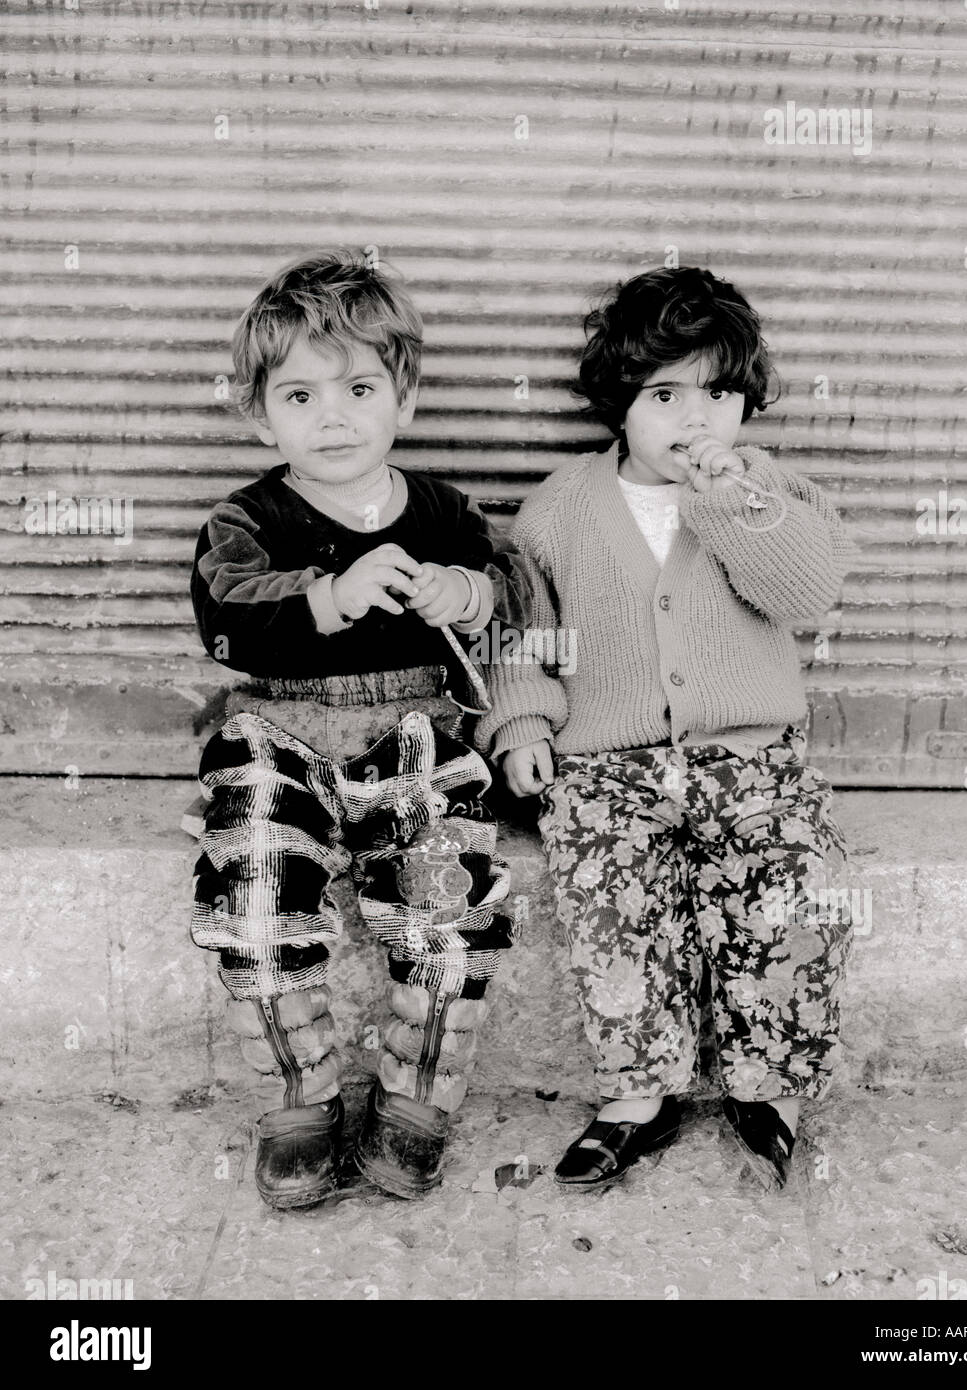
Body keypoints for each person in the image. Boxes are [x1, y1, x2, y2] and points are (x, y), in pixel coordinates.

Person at [476, 265, 857, 1192]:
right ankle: (637, 1098)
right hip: (609, 766)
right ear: (619, 401)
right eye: (665, 393)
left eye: (720, 392)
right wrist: (523, 718)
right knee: (611, 904)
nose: (696, 420)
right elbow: (526, 628)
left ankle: (767, 1085)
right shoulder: (560, 509)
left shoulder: (771, 493)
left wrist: (731, 500)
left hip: (752, 755)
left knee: (797, 889)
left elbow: (807, 595)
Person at [188, 249, 531, 1208]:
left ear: (405, 400)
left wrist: (462, 590)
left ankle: (419, 1093)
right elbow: (227, 614)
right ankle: (300, 1093)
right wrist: (329, 595)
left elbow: (509, 593)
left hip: (413, 726)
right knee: (253, 900)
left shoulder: (443, 512)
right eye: (299, 396)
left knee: (448, 912)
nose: (332, 417)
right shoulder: (243, 520)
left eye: (360, 388)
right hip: (276, 729)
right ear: (260, 415)